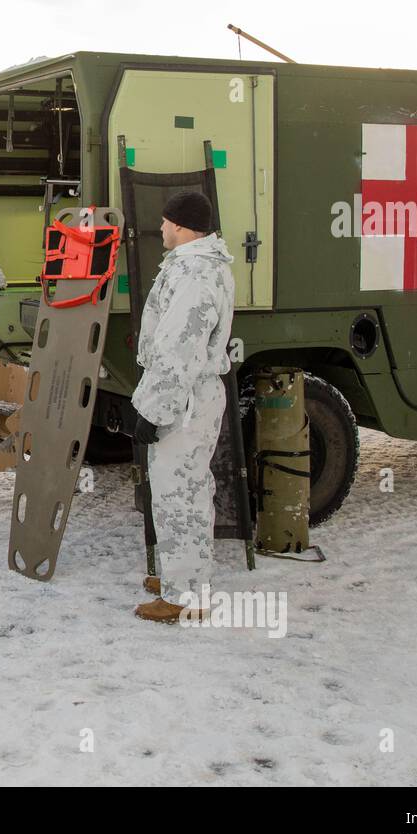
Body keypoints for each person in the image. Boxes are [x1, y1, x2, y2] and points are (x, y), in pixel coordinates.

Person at [130, 191, 236, 623]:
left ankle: (184, 596)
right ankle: (185, 577)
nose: (161, 228)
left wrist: (153, 411)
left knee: (179, 493)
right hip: (192, 394)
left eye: (165, 221)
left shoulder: (194, 272)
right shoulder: (201, 264)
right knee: (189, 489)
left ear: (180, 225)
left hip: (183, 398)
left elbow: (178, 349)